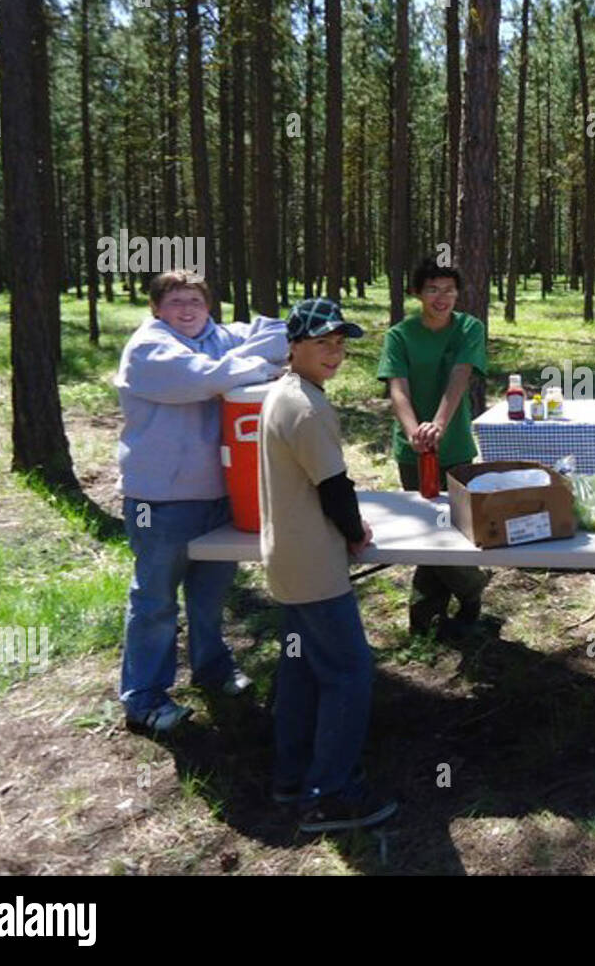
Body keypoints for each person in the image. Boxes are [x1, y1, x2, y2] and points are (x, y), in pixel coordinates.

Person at [115, 271, 287, 733]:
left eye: (194, 301)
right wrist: (253, 363)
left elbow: (279, 333)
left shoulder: (219, 336)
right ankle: (145, 697)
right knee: (154, 601)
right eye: (174, 302)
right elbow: (205, 379)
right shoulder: (148, 349)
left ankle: (213, 668)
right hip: (162, 499)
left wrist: (242, 356)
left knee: (210, 596)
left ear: (209, 305)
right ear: (156, 309)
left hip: (219, 495)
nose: (186, 310)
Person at [258, 297, 398, 833]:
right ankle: (332, 794)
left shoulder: (284, 394)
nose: (334, 353)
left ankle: (291, 778)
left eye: (340, 344)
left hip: (287, 559)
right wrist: (355, 531)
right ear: (294, 346)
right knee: (348, 674)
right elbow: (335, 487)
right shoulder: (307, 407)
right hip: (314, 566)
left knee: (301, 674)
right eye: (323, 343)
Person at [376, 257, 490, 635]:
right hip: (413, 450)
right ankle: (468, 590)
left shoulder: (469, 328)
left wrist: (438, 425)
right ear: (417, 293)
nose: (442, 297)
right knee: (428, 530)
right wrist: (414, 432)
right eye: (432, 289)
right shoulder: (400, 335)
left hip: (454, 443)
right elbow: (397, 386)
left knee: (457, 528)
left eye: (449, 289)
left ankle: (431, 614)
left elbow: (461, 375)